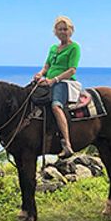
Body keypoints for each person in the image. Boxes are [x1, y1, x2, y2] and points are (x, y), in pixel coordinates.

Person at [32, 16, 80, 158]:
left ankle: (67, 144)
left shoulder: (74, 47)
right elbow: (47, 66)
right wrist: (40, 74)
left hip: (64, 82)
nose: (63, 32)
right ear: (55, 32)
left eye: (65, 29)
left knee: (56, 106)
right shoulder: (53, 48)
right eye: (60, 29)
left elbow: (72, 70)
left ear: (71, 31)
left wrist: (54, 80)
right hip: (48, 81)